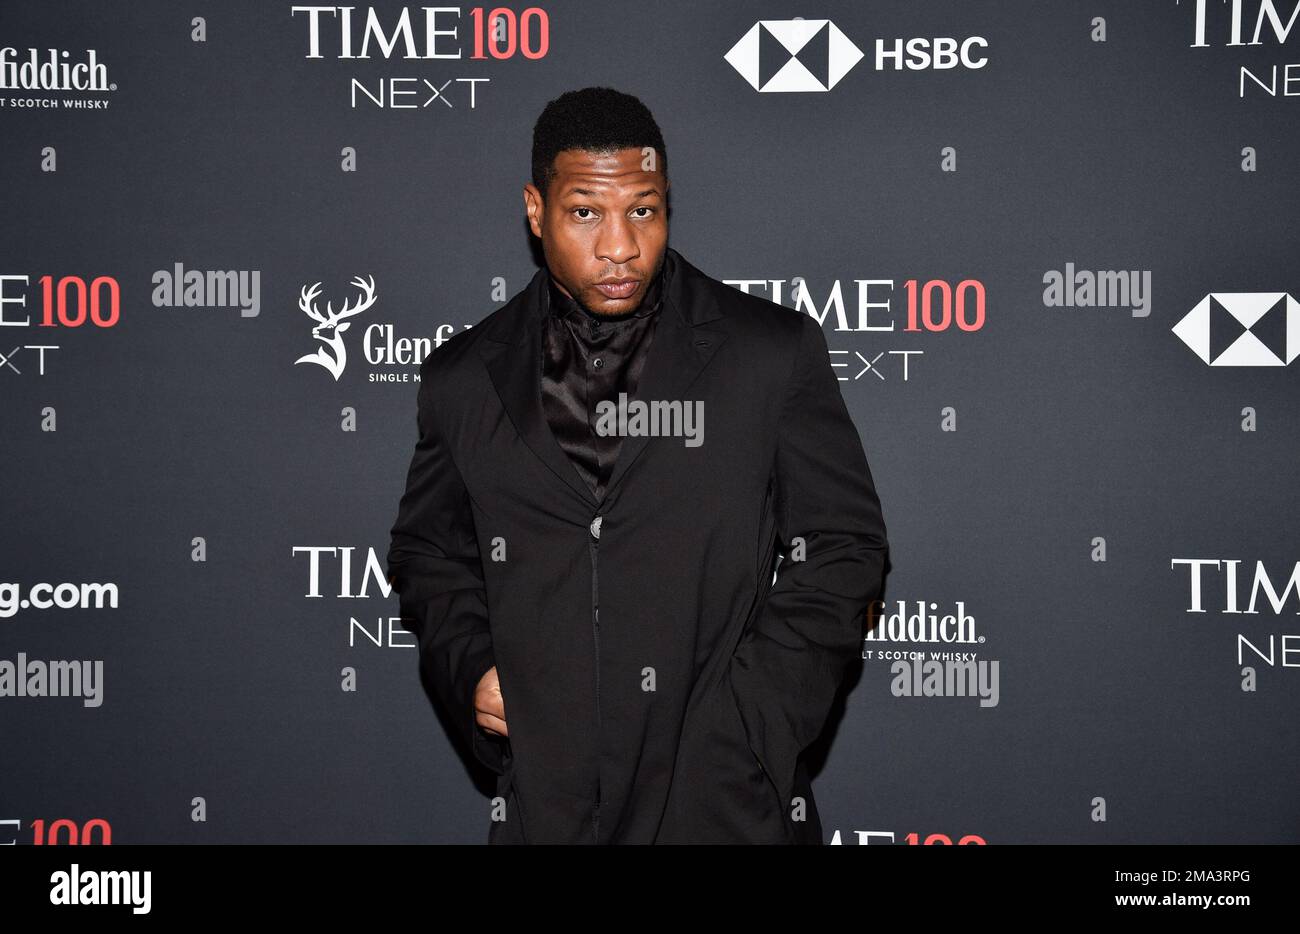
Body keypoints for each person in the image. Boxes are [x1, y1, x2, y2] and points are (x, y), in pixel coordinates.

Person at [386, 86, 889, 844]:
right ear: (535, 210)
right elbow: (429, 550)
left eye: (643, 210)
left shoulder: (770, 353)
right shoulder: (462, 376)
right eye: (586, 212)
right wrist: (473, 667)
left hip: (724, 807)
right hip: (546, 809)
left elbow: (846, 547)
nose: (619, 245)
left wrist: (754, 721)